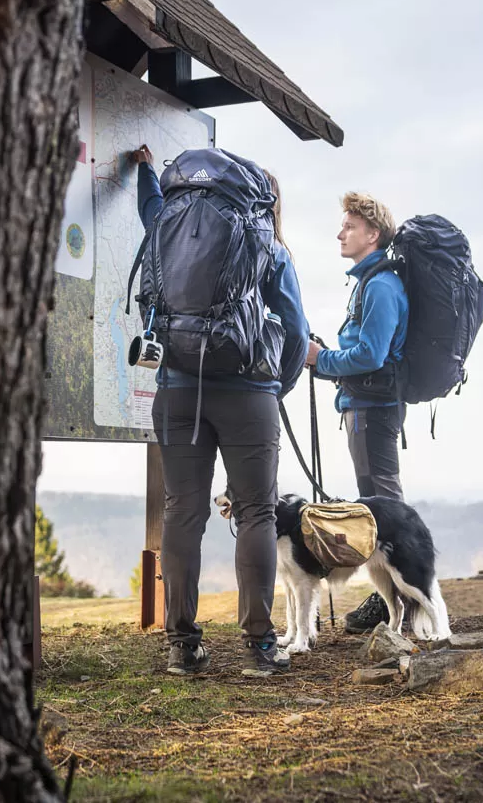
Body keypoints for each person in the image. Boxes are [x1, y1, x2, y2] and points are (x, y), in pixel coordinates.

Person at [132, 145, 309, 675]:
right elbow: (296, 331)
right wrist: (279, 384)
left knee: (182, 511)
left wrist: (144, 171)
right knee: (256, 510)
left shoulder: (168, 220)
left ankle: (182, 647)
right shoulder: (270, 247)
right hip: (249, 392)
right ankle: (259, 646)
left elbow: (148, 205)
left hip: (177, 387)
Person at [305, 192, 408, 633]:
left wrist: (318, 360)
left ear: (373, 233)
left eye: (349, 226)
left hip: (372, 411)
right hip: (366, 408)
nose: (340, 233)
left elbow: (369, 354)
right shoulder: (370, 282)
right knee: (381, 506)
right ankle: (395, 601)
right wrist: (326, 356)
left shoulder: (381, 286)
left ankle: (403, 602)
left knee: (384, 510)